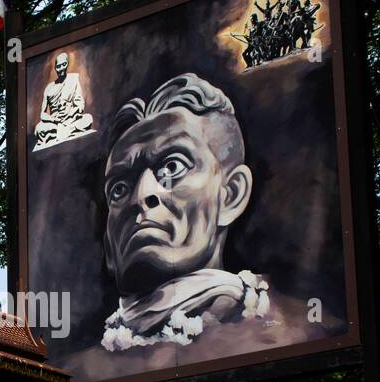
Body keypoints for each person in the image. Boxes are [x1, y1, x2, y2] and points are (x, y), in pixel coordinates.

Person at [95, 73, 270, 351]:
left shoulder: (289, 328)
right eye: (119, 188)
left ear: (232, 195)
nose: (141, 196)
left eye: (172, 167)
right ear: (108, 242)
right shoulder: (79, 370)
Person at [33, 51, 94, 149]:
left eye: (63, 65)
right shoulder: (49, 88)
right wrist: (53, 120)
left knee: (88, 119)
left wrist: (72, 114)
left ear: (67, 64)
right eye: (58, 66)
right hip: (54, 123)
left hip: (71, 119)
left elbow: (79, 103)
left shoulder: (73, 80)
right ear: (55, 67)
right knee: (39, 129)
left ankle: (65, 131)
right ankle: (65, 131)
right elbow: (43, 114)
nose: (61, 69)